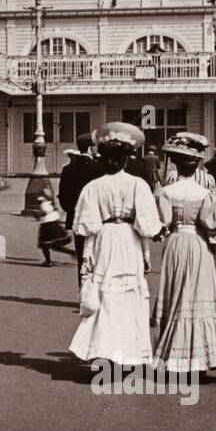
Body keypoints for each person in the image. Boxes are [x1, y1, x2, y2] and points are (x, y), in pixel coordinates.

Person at [68, 123, 163, 366]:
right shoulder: (137, 184)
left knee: (106, 294)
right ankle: (127, 352)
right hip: (128, 240)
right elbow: (147, 224)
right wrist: (156, 232)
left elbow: (86, 225)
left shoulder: (93, 187)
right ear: (125, 160)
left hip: (105, 238)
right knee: (127, 295)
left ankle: (105, 352)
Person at [151, 137, 216, 372]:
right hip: (199, 245)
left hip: (176, 244)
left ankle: (172, 355)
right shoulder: (206, 193)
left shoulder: (165, 192)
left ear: (175, 164)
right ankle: (200, 357)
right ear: (197, 164)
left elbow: (163, 224)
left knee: (177, 294)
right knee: (199, 295)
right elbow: (212, 227)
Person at [58, 135, 101, 288]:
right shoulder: (98, 168)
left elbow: (63, 197)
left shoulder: (68, 169)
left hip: (77, 219)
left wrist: (73, 211)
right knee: (98, 257)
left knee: (82, 257)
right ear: (90, 148)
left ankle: (83, 290)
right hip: (97, 219)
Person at [35, 185, 68, 266]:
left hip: (47, 226)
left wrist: (38, 215)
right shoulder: (51, 204)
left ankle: (48, 261)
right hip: (55, 224)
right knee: (55, 245)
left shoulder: (44, 204)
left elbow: (42, 211)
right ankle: (73, 253)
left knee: (45, 245)